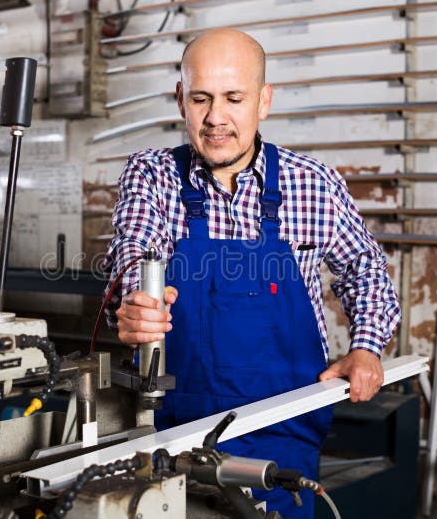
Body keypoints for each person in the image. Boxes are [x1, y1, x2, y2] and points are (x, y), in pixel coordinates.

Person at [103, 28, 401, 517]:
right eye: (201, 98)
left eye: (233, 98)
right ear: (181, 99)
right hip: (174, 440)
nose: (216, 117)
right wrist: (137, 305)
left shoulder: (314, 185)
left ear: (264, 101)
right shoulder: (151, 175)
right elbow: (135, 250)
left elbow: (366, 270)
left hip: (283, 441)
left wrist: (367, 347)